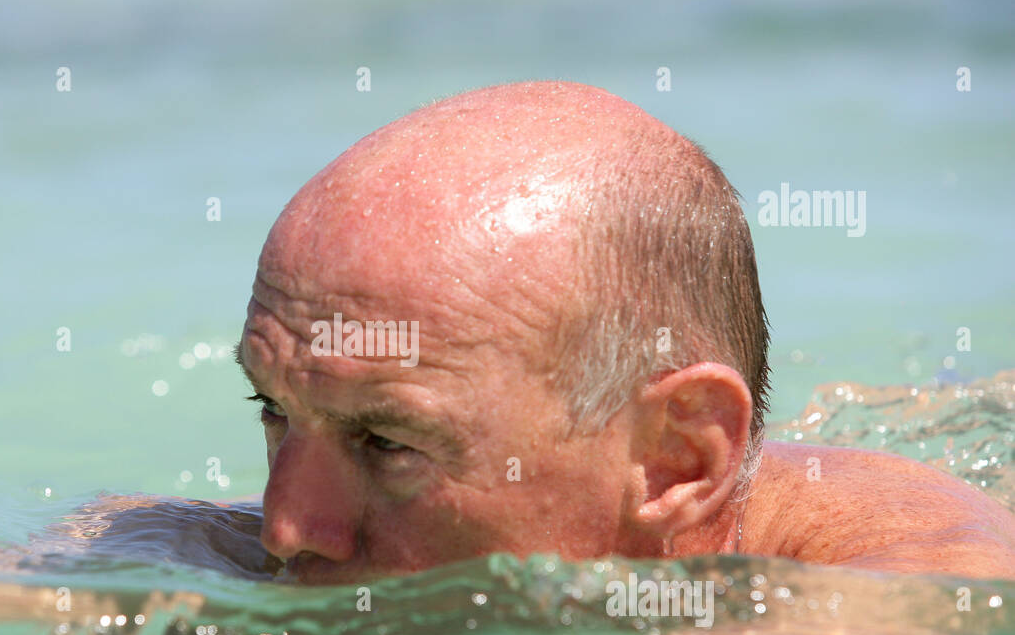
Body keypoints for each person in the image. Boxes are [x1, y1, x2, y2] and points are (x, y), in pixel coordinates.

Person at [237, 80, 1015, 584]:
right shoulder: (316, 515)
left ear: (676, 460)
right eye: (273, 409)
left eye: (387, 441)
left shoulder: (937, 584)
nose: (284, 529)